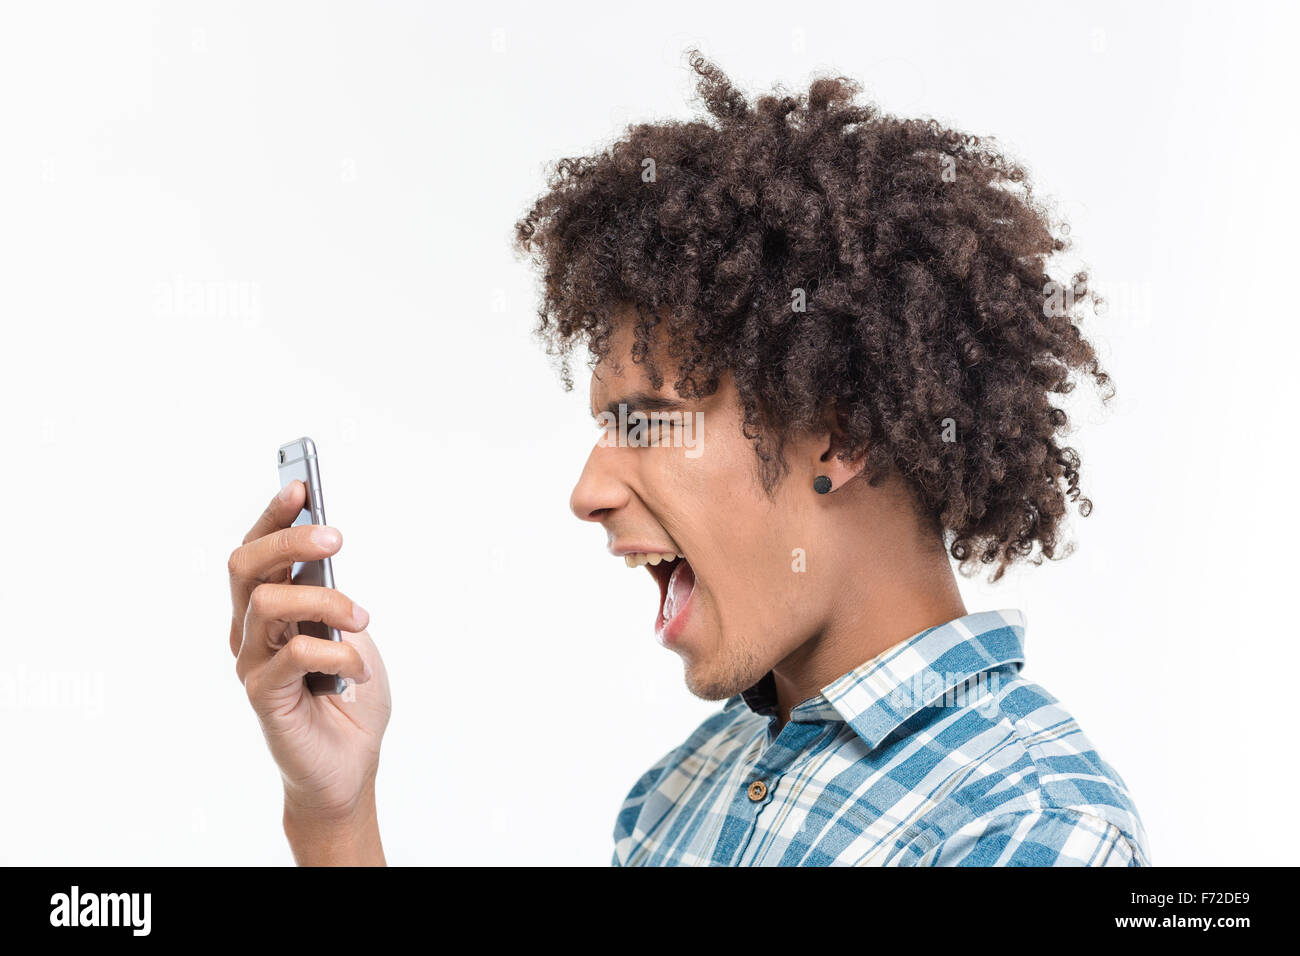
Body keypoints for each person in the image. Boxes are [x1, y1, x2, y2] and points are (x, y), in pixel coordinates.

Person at [226, 52, 1149, 866]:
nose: (588, 492)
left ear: (841, 433)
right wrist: (334, 814)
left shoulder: (1033, 829)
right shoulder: (674, 798)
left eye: (651, 421)